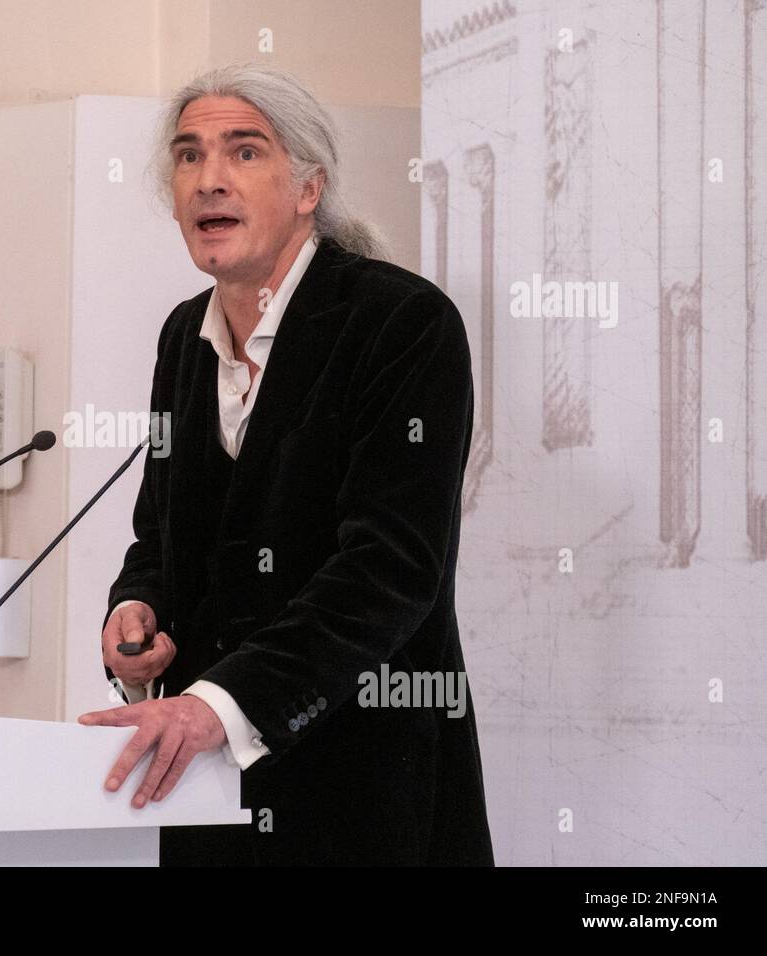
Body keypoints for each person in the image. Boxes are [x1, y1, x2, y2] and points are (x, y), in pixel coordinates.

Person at [77, 63, 494, 866]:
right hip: (205, 794)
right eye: (189, 156)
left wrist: (220, 704)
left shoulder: (401, 325)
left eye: (244, 152)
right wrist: (139, 612)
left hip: (364, 796)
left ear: (309, 188)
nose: (209, 181)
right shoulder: (182, 341)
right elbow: (160, 538)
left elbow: (389, 571)